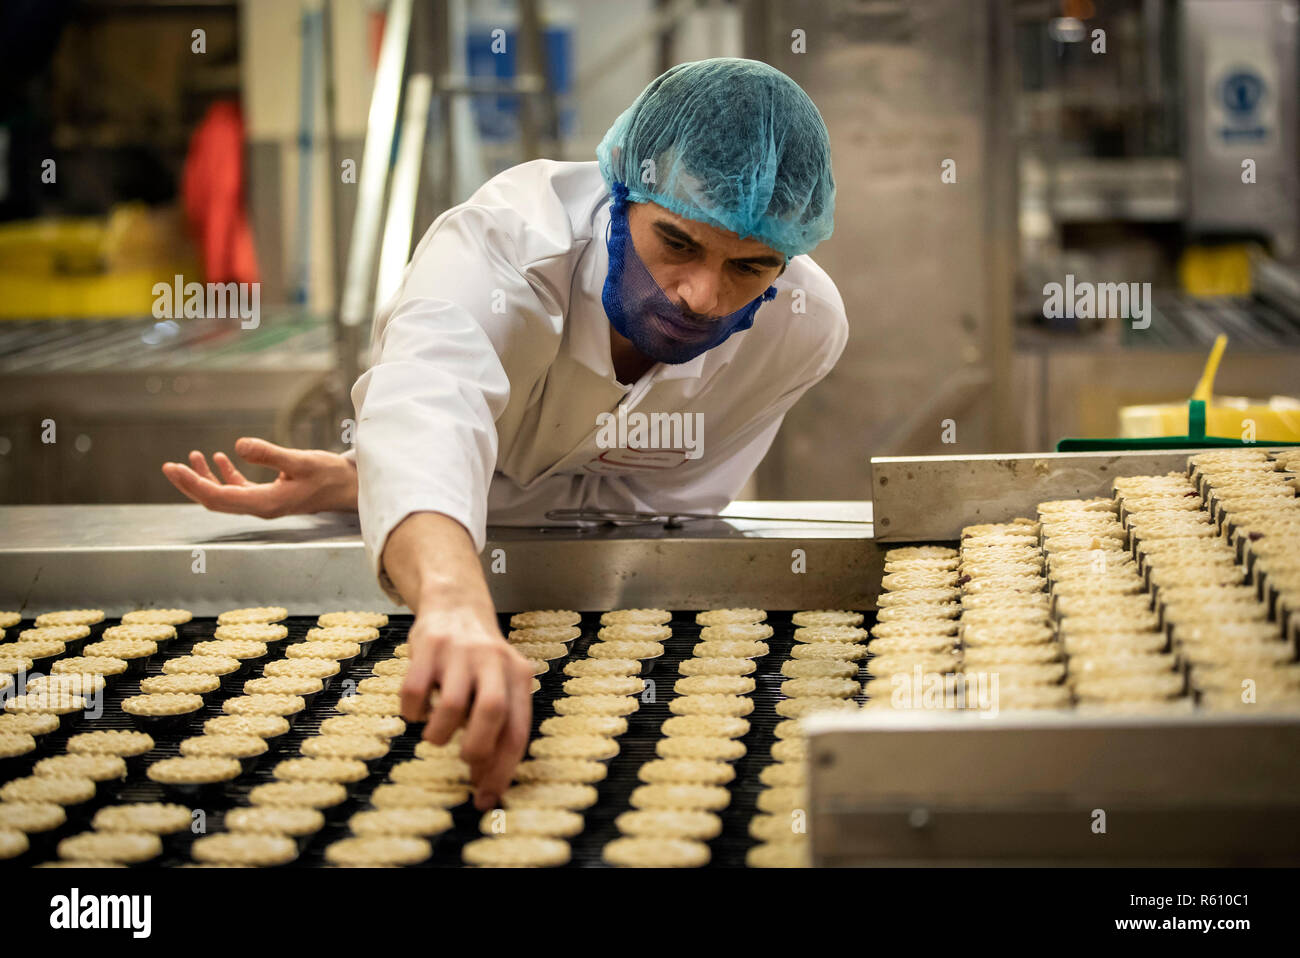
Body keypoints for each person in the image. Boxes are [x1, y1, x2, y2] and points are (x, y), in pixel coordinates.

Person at [162, 58, 844, 810]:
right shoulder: (503, 250)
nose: (702, 297)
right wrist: (451, 595)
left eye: (750, 267)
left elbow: (642, 509)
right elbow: (428, 402)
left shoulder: (798, 331)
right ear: (621, 194)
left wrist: (385, 482)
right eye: (676, 243)